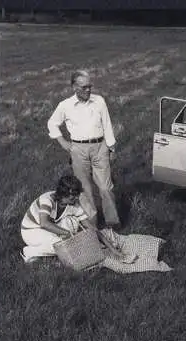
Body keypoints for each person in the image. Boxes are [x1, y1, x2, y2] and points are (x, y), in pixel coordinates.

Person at [47, 70, 121, 229]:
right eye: (84, 87)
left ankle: (113, 223)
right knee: (84, 189)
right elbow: (52, 123)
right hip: (78, 150)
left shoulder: (99, 101)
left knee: (105, 187)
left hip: (100, 147)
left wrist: (111, 147)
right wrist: (63, 142)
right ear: (74, 87)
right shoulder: (65, 106)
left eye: (90, 86)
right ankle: (93, 224)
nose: (88, 90)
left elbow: (107, 125)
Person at [20, 175, 95, 263]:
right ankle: (28, 252)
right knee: (61, 245)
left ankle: (55, 244)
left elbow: (91, 227)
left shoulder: (73, 203)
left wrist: (109, 247)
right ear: (64, 193)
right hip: (31, 230)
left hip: (48, 227)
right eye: (74, 195)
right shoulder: (47, 200)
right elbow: (43, 223)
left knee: (73, 222)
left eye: (77, 194)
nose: (77, 197)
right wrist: (69, 234)